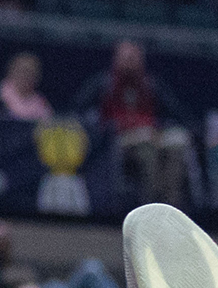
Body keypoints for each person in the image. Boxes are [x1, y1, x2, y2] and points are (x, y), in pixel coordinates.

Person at [71, 41, 191, 205]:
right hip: (118, 139)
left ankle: (171, 204)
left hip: (151, 134)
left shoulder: (151, 85)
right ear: (116, 59)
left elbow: (177, 114)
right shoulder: (104, 84)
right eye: (126, 58)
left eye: (134, 58)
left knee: (177, 144)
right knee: (147, 147)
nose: (130, 62)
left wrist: (162, 129)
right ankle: (151, 204)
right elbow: (78, 110)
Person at [0, 53, 54, 121]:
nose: (27, 76)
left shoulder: (40, 102)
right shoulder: (1, 92)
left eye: (32, 73)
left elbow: (47, 123)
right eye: (23, 71)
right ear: (11, 72)